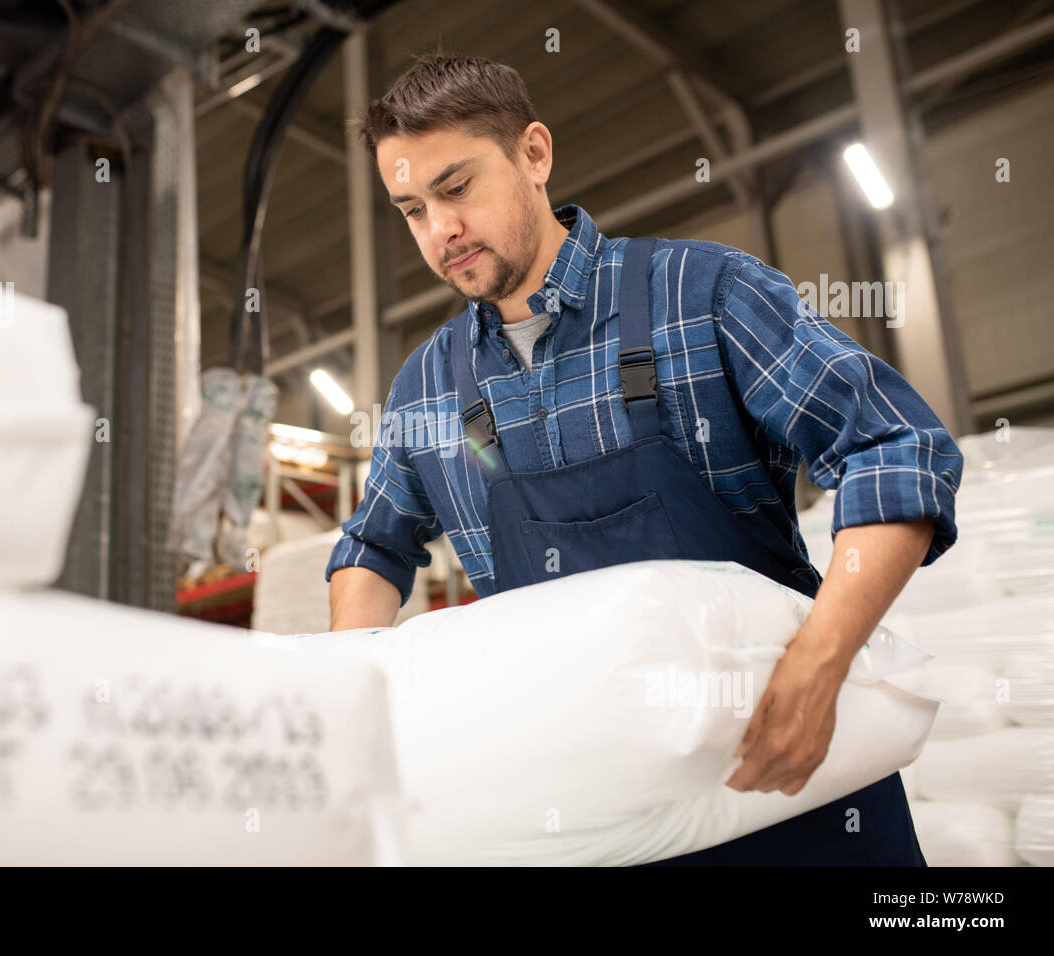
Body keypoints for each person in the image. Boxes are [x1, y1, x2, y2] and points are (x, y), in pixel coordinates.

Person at [324, 51, 963, 865]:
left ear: (534, 153)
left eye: (456, 189)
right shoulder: (427, 389)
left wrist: (820, 667)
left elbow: (893, 449)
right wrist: (345, 714)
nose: (439, 230)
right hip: (595, 820)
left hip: (785, 779)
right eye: (410, 208)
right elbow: (373, 547)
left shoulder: (700, 295)